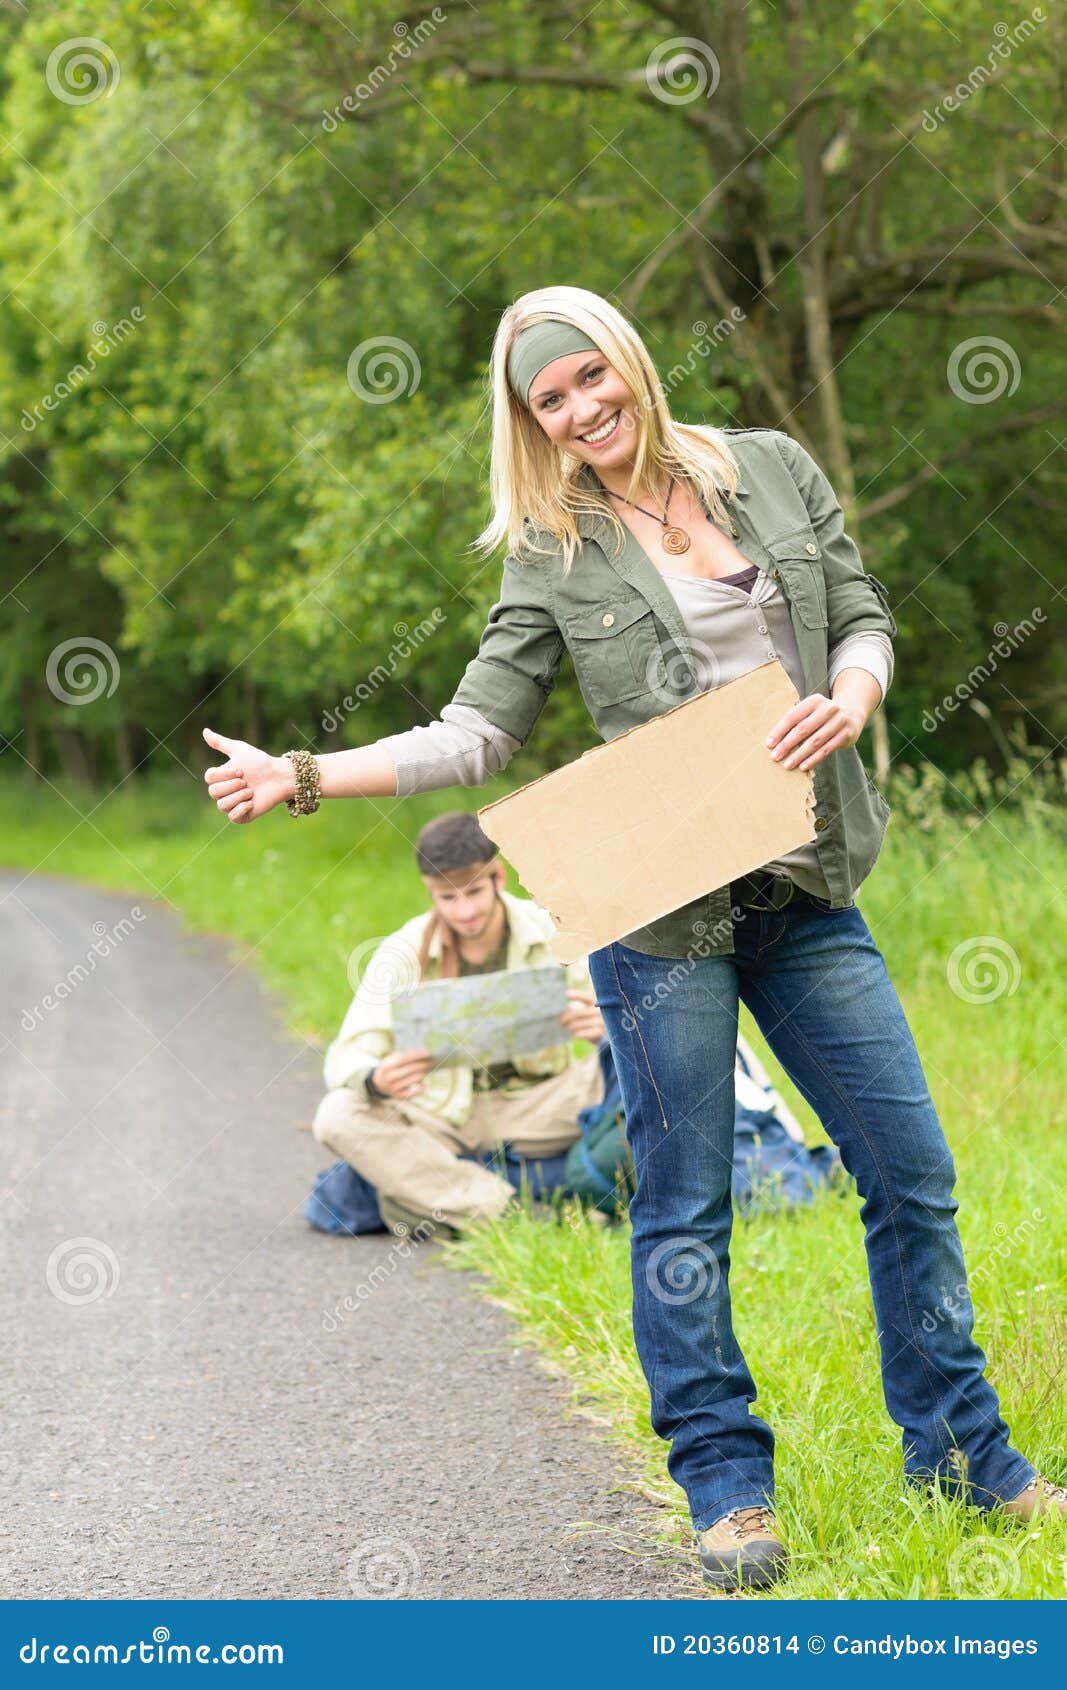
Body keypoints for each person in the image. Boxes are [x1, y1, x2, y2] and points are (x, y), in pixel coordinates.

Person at [202, 284, 1064, 1588]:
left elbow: (864, 609)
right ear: (529, 422)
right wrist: (308, 771)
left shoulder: (762, 466)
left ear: (627, 363)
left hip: (804, 888)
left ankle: (959, 1450)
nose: (578, 408)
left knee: (910, 1171)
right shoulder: (550, 551)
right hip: (660, 898)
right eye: (547, 400)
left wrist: (849, 689)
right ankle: (724, 1486)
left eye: (588, 378)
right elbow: (475, 732)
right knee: (682, 1195)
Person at [310, 809, 608, 1238]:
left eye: (473, 892)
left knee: (635, 1063)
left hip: (538, 1105)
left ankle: (419, 1200)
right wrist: (377, 1078)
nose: (464, 911)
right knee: (339, 1114)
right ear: (429, 892)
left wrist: (602, 1028)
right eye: (447, 898)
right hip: (441, 1114)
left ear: (498, 878)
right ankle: (507, 1211)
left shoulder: (551, 929)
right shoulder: (402, 951)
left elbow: (624, 1012)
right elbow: (348, 1054)